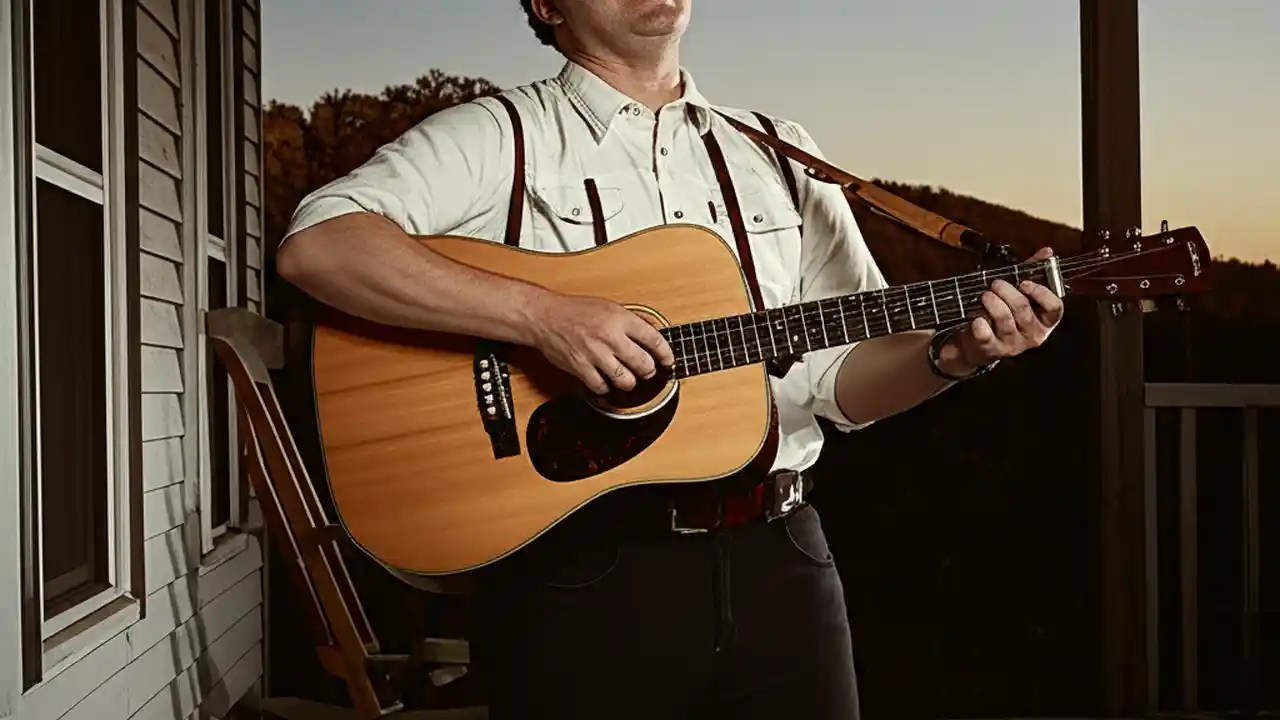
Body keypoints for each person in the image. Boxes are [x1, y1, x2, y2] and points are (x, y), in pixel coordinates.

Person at [275, 1, 1064, 716]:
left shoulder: (781, 153)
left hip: (782, 558)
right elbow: (320, 245)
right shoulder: (501, 135)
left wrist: (957, 355)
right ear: (547, 5)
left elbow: (840, 385)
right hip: (583, 572)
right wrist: (541, 316)